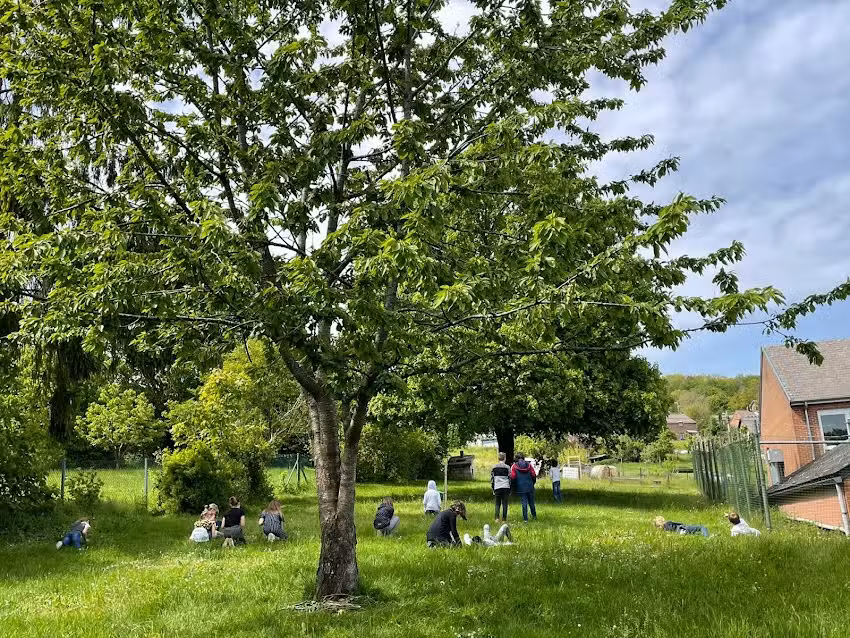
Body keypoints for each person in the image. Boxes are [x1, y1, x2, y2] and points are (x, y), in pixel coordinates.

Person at [510, 453, 537, 522]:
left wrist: (514, 487)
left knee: (524, 502)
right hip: (530, 486)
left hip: (521, 487)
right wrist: (533, 483)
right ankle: (534, 516)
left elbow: (513, 477)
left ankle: (525, 519)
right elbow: (533, 475)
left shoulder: (514, 466)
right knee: (531, 502)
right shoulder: (529, 465)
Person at [490, 452, 511, 522]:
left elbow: (492, 479)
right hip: (506, 487)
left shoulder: (494, 467)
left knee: (497, 503)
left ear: (498, 458)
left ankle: (496, 518)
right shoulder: (508, 467)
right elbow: (510, 478)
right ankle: (504, 519)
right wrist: (510, 488)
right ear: (504, 458)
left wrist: (493, 488)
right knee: (505, 504)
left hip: (497, 487)